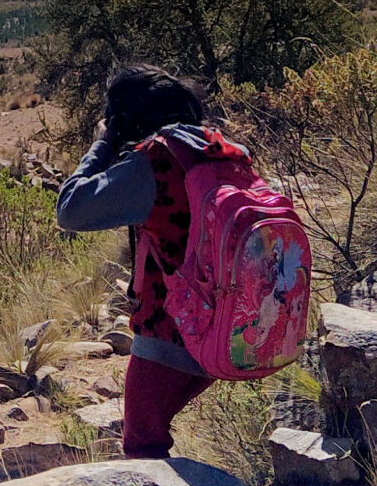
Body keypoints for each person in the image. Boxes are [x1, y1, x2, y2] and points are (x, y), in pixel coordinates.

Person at [54, 63, 251, 457]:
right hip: (236, 322)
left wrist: (104, 144)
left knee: (142, 445)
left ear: (125, 118)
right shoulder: (225, 150)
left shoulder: (155, 161)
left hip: (172, 330)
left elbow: (70, 210)